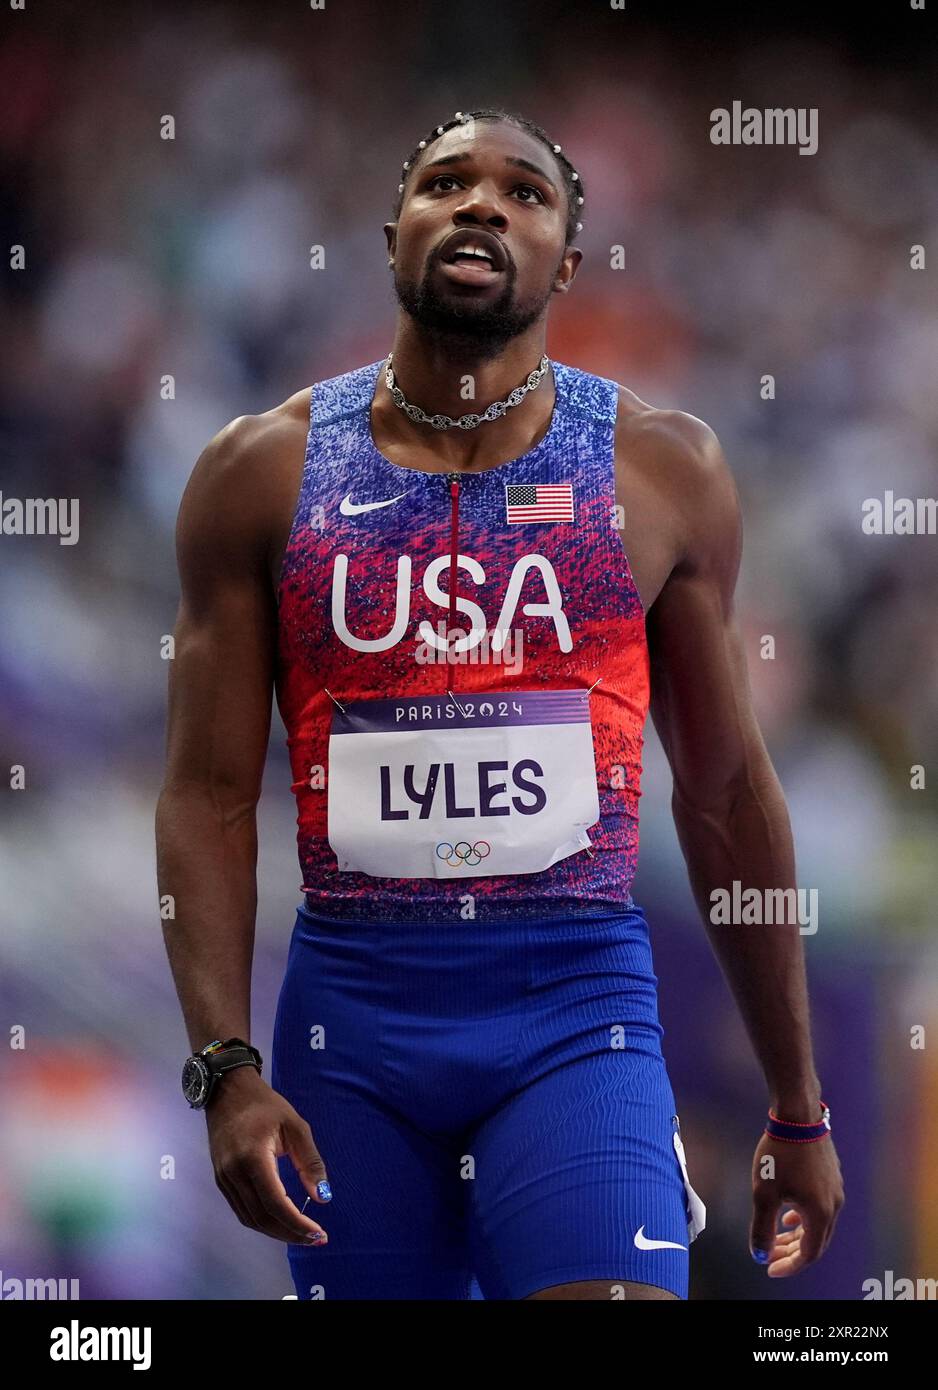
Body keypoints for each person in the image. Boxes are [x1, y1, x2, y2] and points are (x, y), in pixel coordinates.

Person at [156, 107, 844, 1301]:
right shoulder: (258, 471)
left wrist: (797, 1108)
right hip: (352, 1027)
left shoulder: (659, 469)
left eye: (522, 192)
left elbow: (727, 788)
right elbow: (208, 793)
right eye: (445, 183)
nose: (480, 203)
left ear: (565, 264)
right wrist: (225, 1066)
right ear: (393, 235)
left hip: (576, 1006)